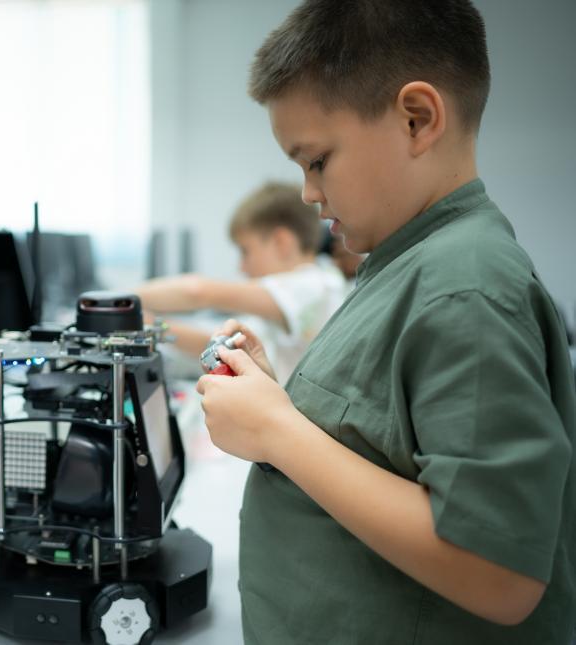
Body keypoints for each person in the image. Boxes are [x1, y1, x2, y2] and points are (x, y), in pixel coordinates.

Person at [195, 1, 576, 644]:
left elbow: (500, 573)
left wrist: (279, 433)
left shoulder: (465, 283)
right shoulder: (406, 259)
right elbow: (384, 438)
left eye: (316, 161)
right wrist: (278, 398)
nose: (309, 194)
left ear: (417, 119)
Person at [136, 182, 347, 384]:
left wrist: (119, 300)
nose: (242, 267)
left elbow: (198, 291)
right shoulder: (291, 301)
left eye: (245, 251)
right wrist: (150, 324)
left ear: (281, 242)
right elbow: (213, 343)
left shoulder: (315, 286)